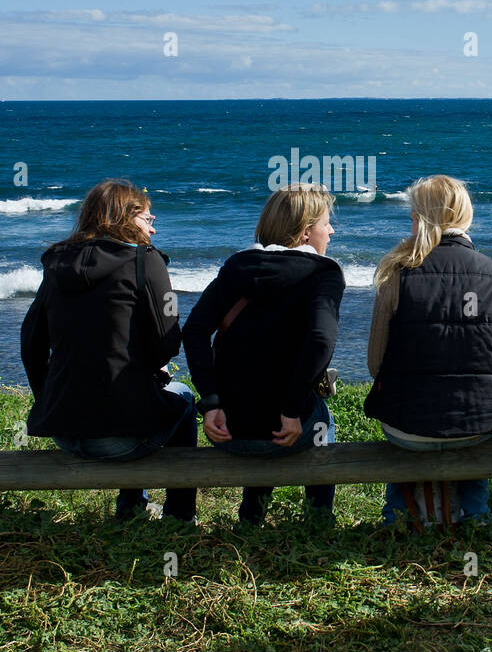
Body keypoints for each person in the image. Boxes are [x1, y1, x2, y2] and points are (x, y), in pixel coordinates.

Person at [21, 179, 197, 522]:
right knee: (184, 399)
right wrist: (150, 368)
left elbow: (31, 342)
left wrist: (48, 399)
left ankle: (134, 507)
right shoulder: (146, 261)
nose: (153, 228)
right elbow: (168, 341)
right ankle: (179, 516)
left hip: (65, 434)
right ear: (125, 218)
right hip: (122, 441)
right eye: (148, 219)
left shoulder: (56, 264)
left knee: (135, 397)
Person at [365, 175, 492, 526]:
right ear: (465, 216)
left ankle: (398, 515)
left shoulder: (395, 275)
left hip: (407, 429)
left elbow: (376, 364)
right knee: (471, 420)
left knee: (408, 421)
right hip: (478, 427)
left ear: (420, 218)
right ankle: (474, 514)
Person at [182, 184, 345, 524]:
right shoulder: (323, 272)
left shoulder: (236, 266)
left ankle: (251, 515)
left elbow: (194, 331)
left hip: (228, 431)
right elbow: (320, 339)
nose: (331, 230)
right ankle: (319, 520)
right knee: (324, 421)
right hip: (290, 431)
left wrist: (211, 402)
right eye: (325, 223)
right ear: (304, 233)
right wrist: (289, 410)